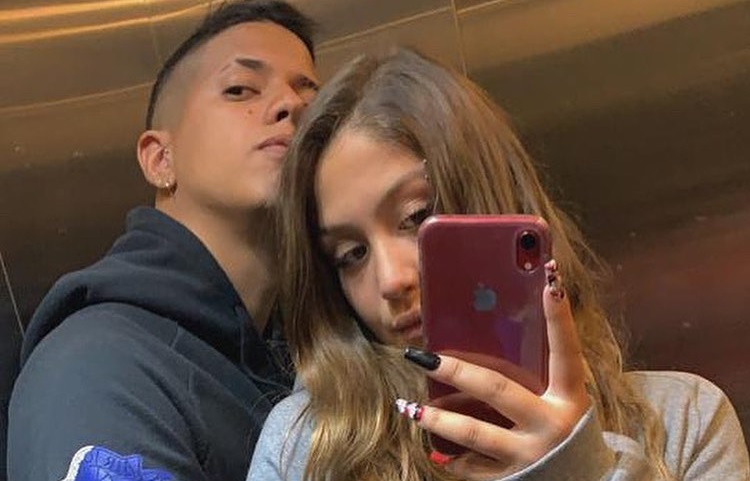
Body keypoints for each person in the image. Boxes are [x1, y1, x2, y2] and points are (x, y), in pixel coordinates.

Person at [247, 48, 750, 481]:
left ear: (492, 204)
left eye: (417, 218)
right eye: (350, 255)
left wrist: (575, 469)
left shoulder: (685, 421)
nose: (391, 280)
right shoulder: (307, 443)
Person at [7, 2, 319, 480]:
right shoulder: (101, 367)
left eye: (311, 97)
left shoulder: (304, 359)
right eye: (240, 89)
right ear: (160, 160)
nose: (290, 105)